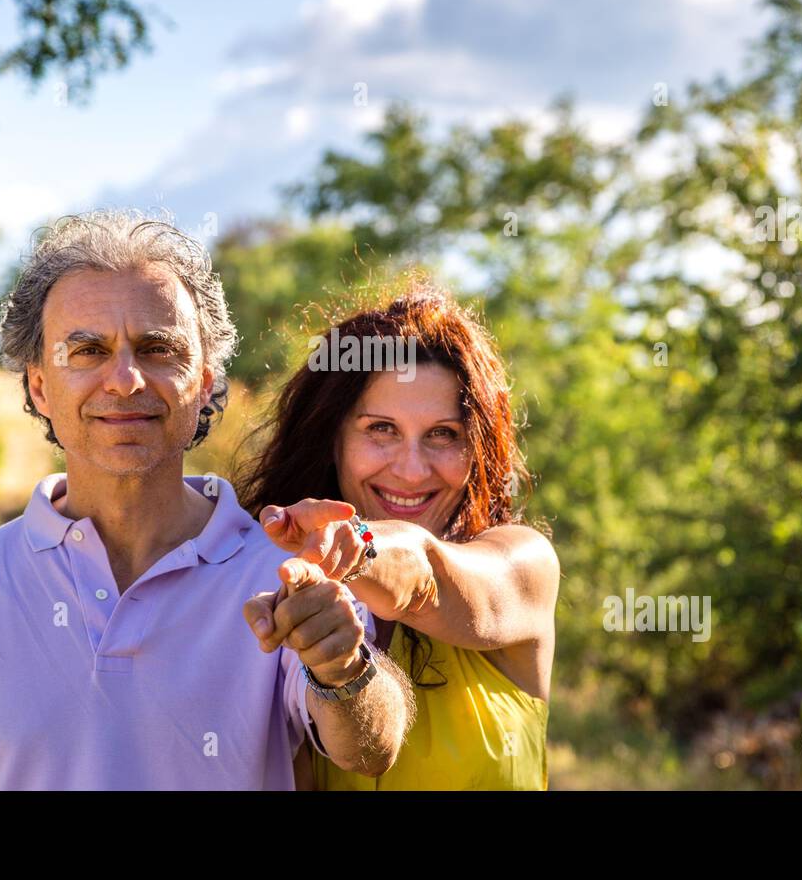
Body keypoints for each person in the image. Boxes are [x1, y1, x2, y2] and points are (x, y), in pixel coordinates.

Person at [0, 210, 412, 790]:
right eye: (88, 351)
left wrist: (343, 667)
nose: (124, 380)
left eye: (156, 348)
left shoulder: (285, 572)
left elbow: (371, 748)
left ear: (203, 381)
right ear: (40, 385)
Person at [237, 282, 560, 790]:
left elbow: (423, 568)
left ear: (477, 452)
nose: (411, 470)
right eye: (381, 429)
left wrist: (355, 545)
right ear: (331, 440)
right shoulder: (264, 584)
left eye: (443, 434)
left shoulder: (524, 565)